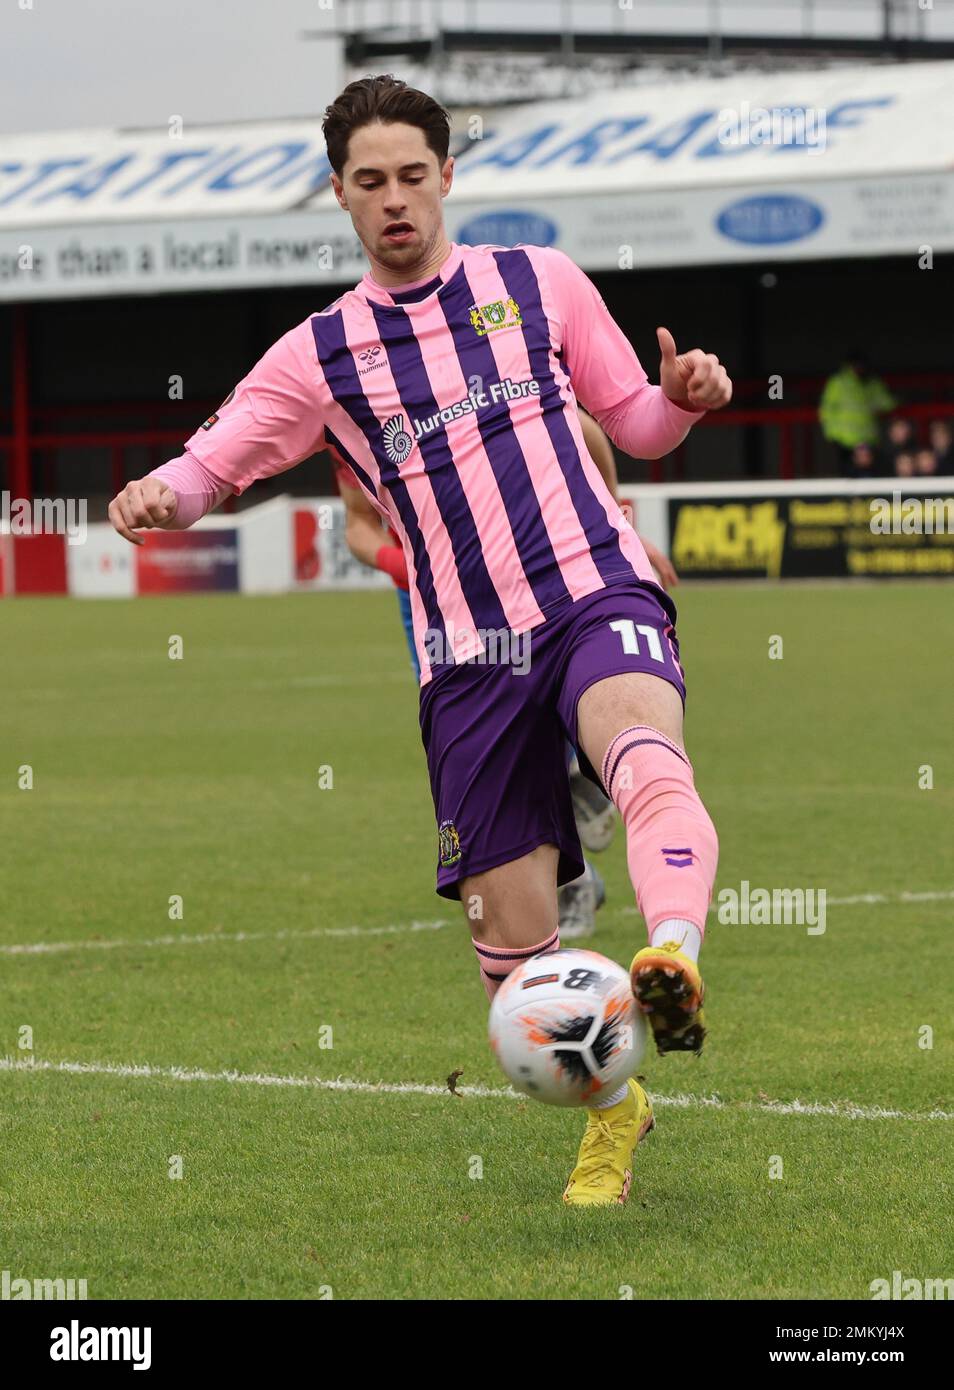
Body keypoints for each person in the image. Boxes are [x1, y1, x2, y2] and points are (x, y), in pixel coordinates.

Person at [107, 75, 731, 1208]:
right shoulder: (320, 354)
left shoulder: (534, 283)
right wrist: (161, 492)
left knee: (643, 750)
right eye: (368, 182)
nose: (394, 200)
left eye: (411, 175)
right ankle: (614, 1106)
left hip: (594, 585)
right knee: (512, 951)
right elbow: (219, 459)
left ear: (448, 176)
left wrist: (682, 397)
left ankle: (672, 952)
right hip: (467, 655)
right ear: (340, 195)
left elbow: (633, 418)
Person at [335, 408, 680, 940]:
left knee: (542, 712)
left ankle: (576, 825)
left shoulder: (465, 370)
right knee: (486, 740)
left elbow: (583, 430)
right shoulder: (344, 412)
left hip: (522, 572)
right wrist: (393, 561)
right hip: (433, 602)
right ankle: (575, 859)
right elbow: (358, 519)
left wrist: (612, 523)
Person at [818, 351, 896, 476]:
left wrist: (899, 401)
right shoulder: (838, 382)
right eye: (857, 365)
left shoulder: (871, 383)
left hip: (867, 437)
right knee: (847, 473)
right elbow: (826, 409)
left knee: (870, 472)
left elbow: (886, 402)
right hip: (845, 439)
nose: (860, 368)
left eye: (862, 365)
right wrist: (831, 433)